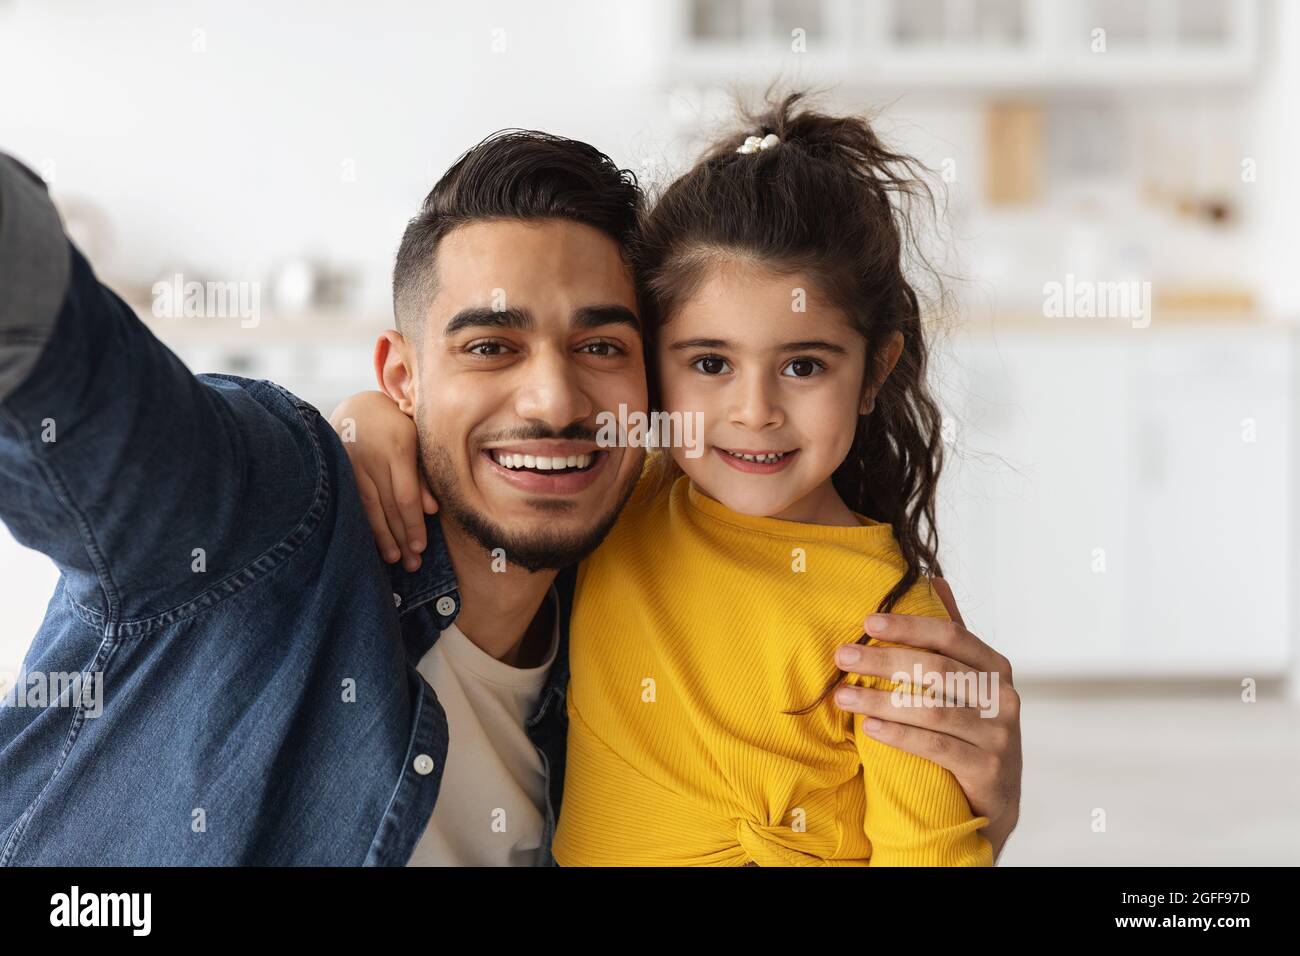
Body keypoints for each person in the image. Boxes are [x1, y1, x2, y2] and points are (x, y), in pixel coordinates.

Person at [0, 121, 1019, 865]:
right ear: (403, 376)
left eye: (600, 345)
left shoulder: (632, 599)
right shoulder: (273, 512)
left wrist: (971, 804)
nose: (553, 396)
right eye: (490, 344)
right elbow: (91, 394)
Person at [332, 96, 1023, 865]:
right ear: (659, 373)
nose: (754, 412)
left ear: (874, 373)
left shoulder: (893, 627)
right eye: (710, 364)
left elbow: (932, 851)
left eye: (803, 366)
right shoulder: (632, 498)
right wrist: (372, 418)